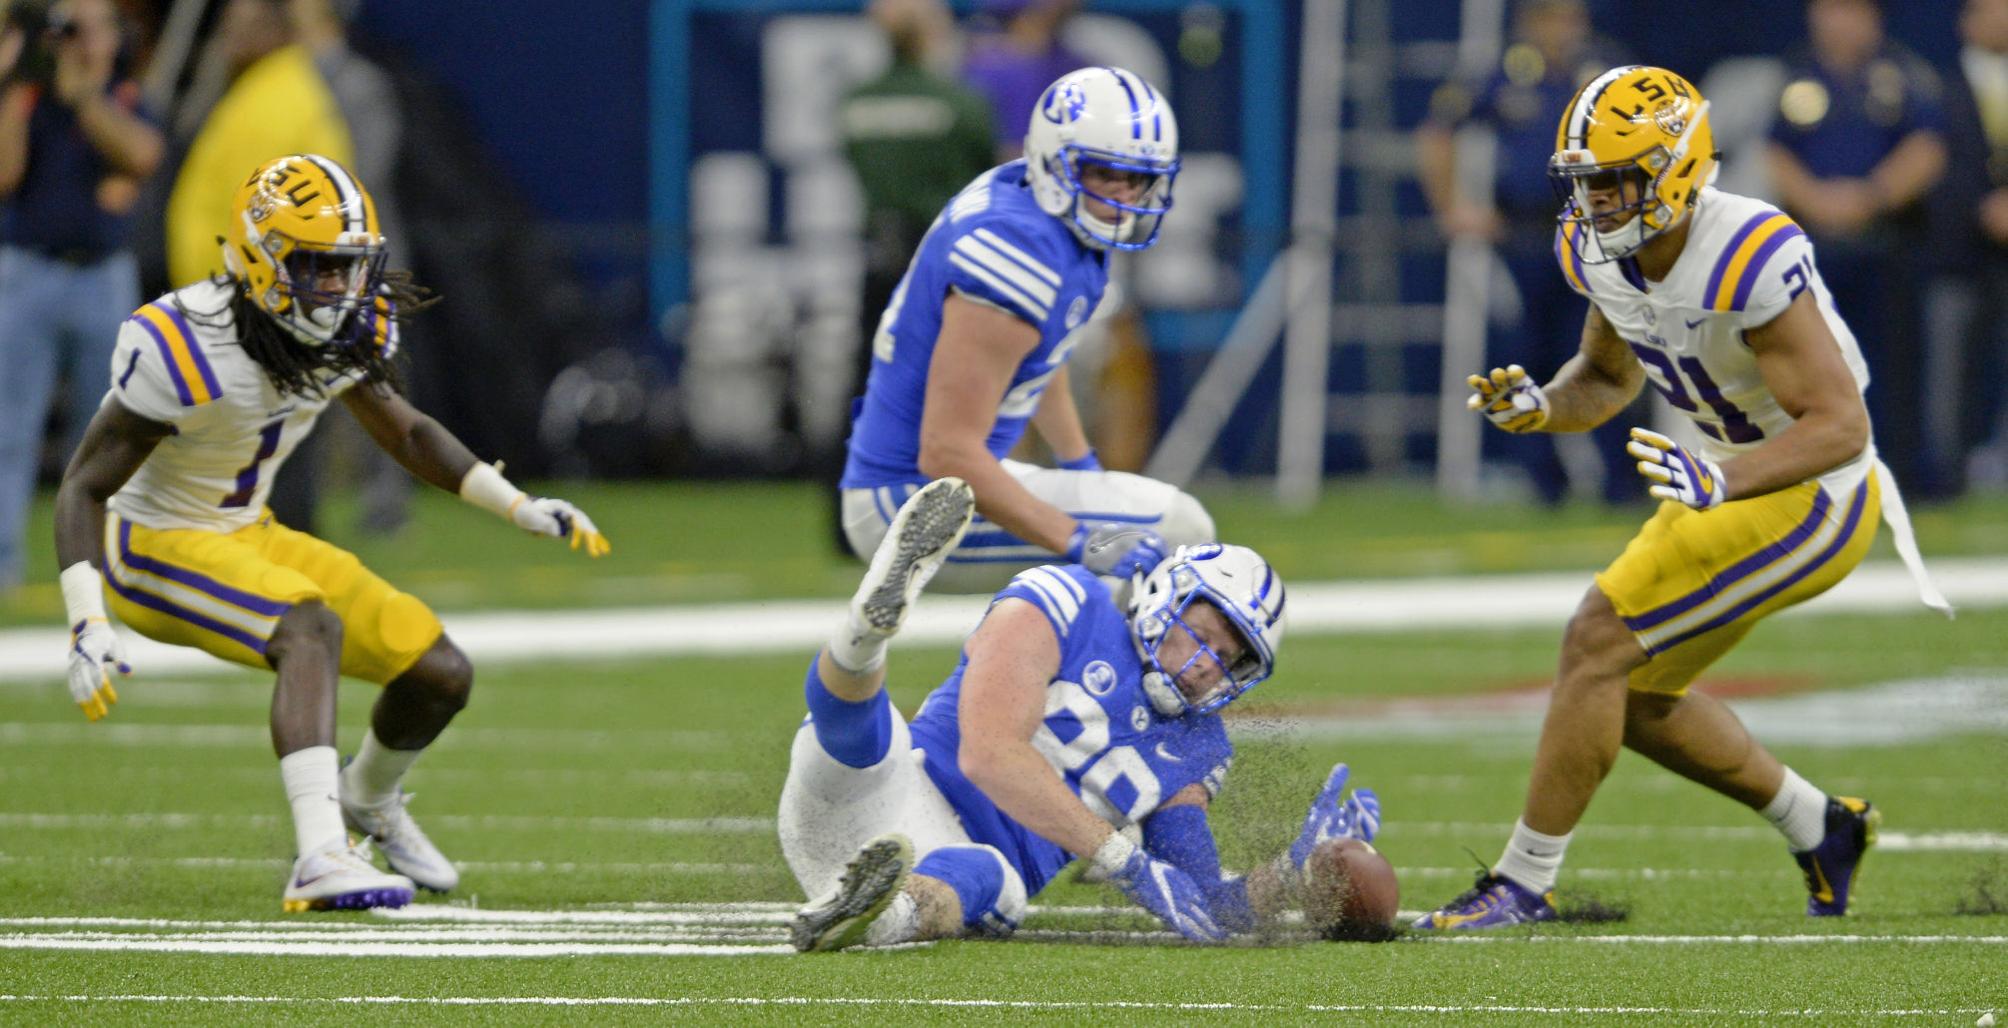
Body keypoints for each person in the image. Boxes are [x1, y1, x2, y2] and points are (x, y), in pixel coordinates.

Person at [1415, 67, 1951, 931]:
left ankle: (1522, 882)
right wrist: (1545, 407)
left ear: (1676, 169)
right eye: (1582, 181)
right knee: (1626, 695)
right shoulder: (1595, 244)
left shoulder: (1745, 250)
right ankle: (1822, 825)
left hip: (1812, 491)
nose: (1593, 201)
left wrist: (1722, 478)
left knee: (1596, 641)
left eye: (1613, 180)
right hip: (1726, 479)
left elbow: (1841, 427)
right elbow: (1606, 375)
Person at [53, 153, 610, 913]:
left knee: (438, 669)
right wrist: (87, 619)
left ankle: (366, 799)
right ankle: (319, 856)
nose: (338, 288)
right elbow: (84, 484)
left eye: (349, 267)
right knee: (309, 627)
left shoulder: (345, 326)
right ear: (261, 257)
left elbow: (406, 433)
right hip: (152, 544)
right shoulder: (184, 344)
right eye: (318, 267)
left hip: (249, 530)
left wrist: (513, 503)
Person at [780, 477, 1379, 950]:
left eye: (1228, 661)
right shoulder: (1066, 601)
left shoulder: (1200, 747)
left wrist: (1297, 871)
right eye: (1200, 637)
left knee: (987, 875)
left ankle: (872, 913)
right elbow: (988, 754)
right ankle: (866, 627)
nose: (1205, 667)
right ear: (1162, 598)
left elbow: (1205, 904)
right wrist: (1121, 857)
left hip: (953, 872)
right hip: (890, 786)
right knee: (863, 735)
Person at [839, 66, 1212, 594]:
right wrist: (1081, 540)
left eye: (1137, 179)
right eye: (1104, 173)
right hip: (914, 497)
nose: (1123, 196)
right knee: (1178, 530)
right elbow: (945, 451)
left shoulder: (1030, 209)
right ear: (1054, 160)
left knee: (1128, 547)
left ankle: (854, 658)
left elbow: (1034, 359)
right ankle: (1076, 676)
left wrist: (1080, 465)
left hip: (940, 479)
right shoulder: (1016, 251)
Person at [1416, 0, 1639, 505]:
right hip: (1529, 233)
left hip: (1598, 233)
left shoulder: (1606, 70)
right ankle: (1545, 480)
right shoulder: (1505, 71)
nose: (1567, 29)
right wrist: (1453, 208)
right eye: (1555, 18)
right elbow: (1437, 131)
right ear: (1531, 22)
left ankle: (1620, 480)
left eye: (1573, 18)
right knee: (1532, 353)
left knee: (1607, 348)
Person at [0, 0, 164, 596]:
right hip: (28, 272)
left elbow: (143, 154)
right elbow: (4, 175)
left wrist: (84, 97)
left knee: (107, 431)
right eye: (71, 29)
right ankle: (2, 566)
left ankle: (100, 567)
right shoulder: (28, 97)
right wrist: (16, 85)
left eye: (91, 29)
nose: (81, 41)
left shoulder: (121, 95)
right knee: (7, 427)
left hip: (103, 277)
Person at [1764, 0, 1948, 494]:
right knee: (1817, 368)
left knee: (1895, 366)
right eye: (1827, 11)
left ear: (1872, 17)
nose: (1835, 22)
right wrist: (1818, 201)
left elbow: (1929, 146)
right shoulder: (1795, 73)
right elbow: (1774, 150)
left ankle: (1905, 474)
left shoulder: (1903, 73)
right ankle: (1824, 475)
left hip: (1888, 244)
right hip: (1813, 250)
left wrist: (1872, 196)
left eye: (1848, 11)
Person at [831, 0, 994, 548]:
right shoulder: (958, 104)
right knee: (952, 394)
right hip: (940, 269)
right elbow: (983, 180)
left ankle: (846, 521)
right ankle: (947, 517)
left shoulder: (856, 103)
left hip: (878, 261)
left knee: (866, 388)